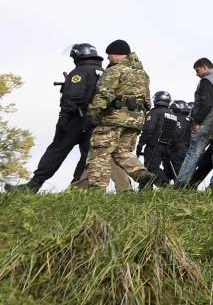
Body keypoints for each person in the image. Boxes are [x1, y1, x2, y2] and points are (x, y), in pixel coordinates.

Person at [6, 43, 106, 193]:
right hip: (95, 120)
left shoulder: (80, 71)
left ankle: (34, 185)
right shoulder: (104, 73)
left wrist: (64, 119)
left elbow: (73, 96)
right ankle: (77, 187)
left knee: (56, 151)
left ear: (78, 56)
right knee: (88, 156)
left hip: (75, 118)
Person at [82, 40, 157, 190]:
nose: (108, 58)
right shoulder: (142, 74)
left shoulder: (115, 70)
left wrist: (92, 113)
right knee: (122, 152)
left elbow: (104, 93)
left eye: (109, 55)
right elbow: (147, 101)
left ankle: (96, 191)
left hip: (113, 118)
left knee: (99, 153)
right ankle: (142, 174)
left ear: (116, 54)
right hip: (135, 119)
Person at [174, 58, 213, 188]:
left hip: (207, 123)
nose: (197, 74)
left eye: (197, 70)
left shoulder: (207, 80)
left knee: (193, 153)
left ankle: (180, 184)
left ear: (204, 67)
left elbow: (206, 103)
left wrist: (197, 121)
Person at [137, 92, 179, 185]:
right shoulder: (173, 114)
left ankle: (164, 184)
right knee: (149, 167)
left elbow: (148, 129)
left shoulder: (155, 112)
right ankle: (144, 191)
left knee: (151, 168)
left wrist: (140, 144)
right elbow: (175, 133)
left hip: (154, 145)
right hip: (166, 146)